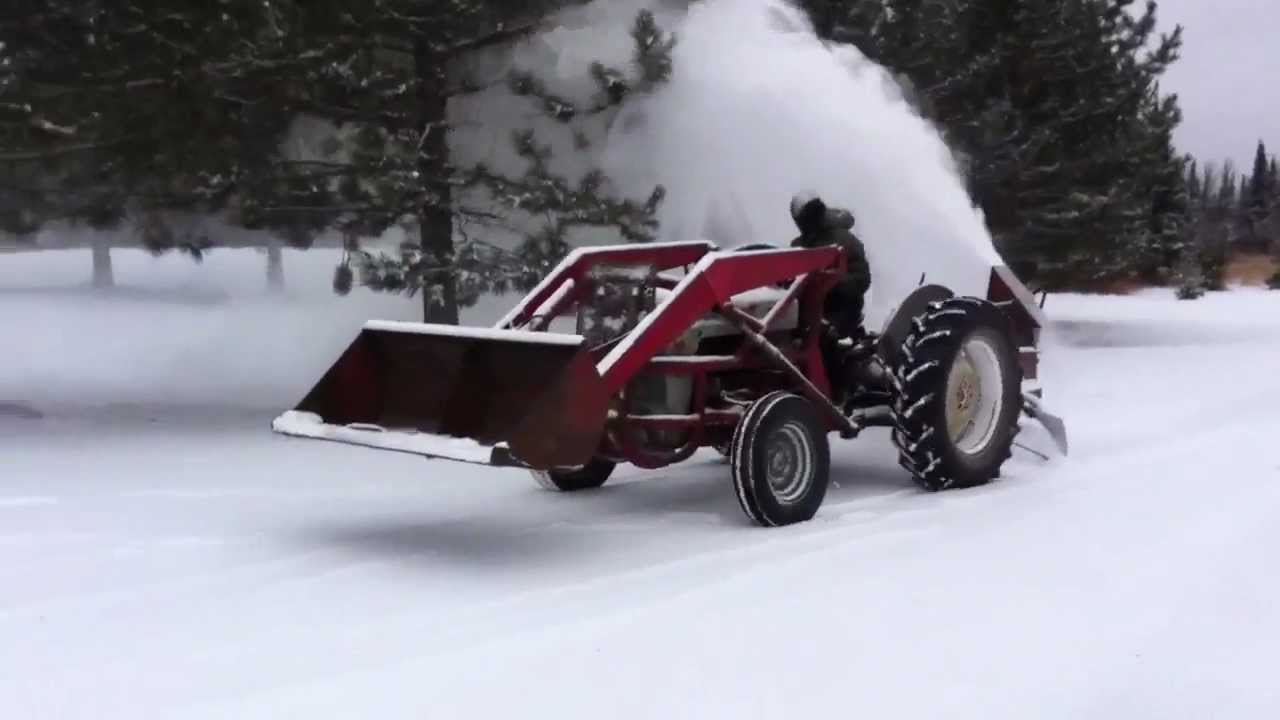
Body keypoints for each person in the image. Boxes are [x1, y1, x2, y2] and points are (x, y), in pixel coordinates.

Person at [788, 191, 871, 342]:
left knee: (827, 346)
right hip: (805, 316)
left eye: (813, 213)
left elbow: (862, 278)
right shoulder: (798, 246)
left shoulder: (844, 240)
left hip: (840, 314)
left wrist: (830, 282)